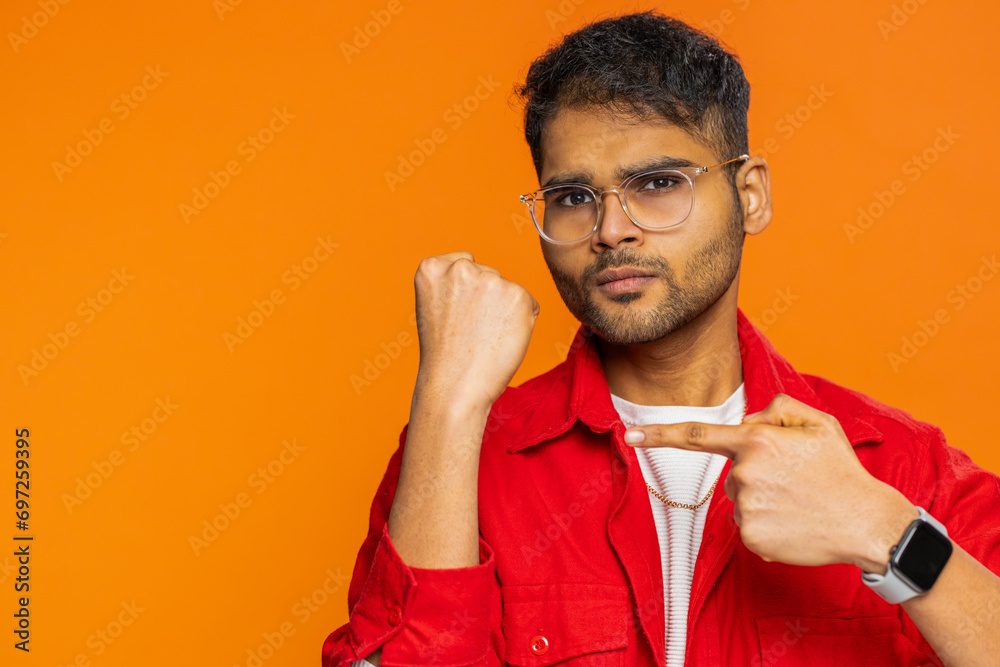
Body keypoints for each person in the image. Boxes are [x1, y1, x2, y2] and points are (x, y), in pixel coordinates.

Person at [322, 10, 1000, 667]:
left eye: (658, 183)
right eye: (573, 197)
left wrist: (884, 531)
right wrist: (446, 403)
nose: (611, 229)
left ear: (751, 194)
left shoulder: (898, 467)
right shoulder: (461, 459)